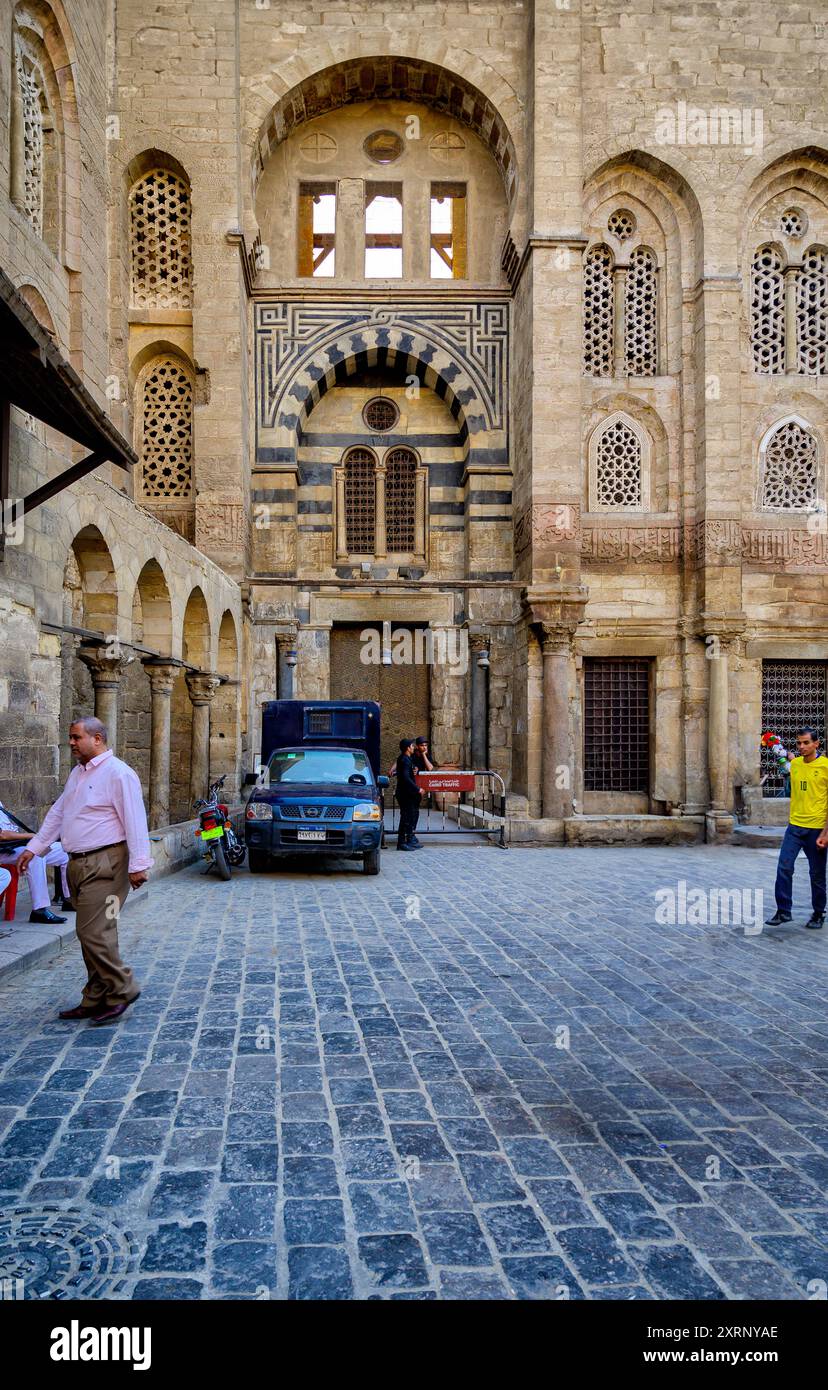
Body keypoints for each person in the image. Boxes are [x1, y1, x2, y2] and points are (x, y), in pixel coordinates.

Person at [17, 716, 153, 1022]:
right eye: (70, 737)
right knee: (98, 933)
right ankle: (95, 998)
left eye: (77, 737)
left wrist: (139, 865)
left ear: (98, 739)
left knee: (92, 931)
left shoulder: (119, 774)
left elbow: (134, 820)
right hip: (78, 864)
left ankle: (122, 988)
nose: (71, 743)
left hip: (107, 864)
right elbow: (58, 813)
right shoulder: (78, 774)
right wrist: (34, 847)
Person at [766, 727, 828, 929]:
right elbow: (788, 761)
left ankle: (818, 913)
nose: (802, 746)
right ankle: (784, 910)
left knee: (816, 874)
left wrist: (826, 833)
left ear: (816, 744)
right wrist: (774, 745)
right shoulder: (796, 764)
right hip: (794, 827)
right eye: (799, 743)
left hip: (816, 829)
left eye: (806, 743)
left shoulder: (826, 766)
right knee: (784, 867)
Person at [0, 796, 71, 924]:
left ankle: (69, 899)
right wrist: (33, 836)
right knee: (35, 854)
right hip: (4, 851)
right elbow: (2, 835)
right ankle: (39, 910)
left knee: (63, 850)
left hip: (15, 846)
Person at [394, 737, 422, 851]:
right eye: (411, 746)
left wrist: (415, 769)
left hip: (407, 793)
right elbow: (405, 777)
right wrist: (417, 789)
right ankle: (401, 843)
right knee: (405, 818)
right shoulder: (404, 760)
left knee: (409, 817)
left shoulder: (406, 759)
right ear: (407, 748)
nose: (413, 747)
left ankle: (408, 840)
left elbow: (407, 773)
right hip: (405, 793)